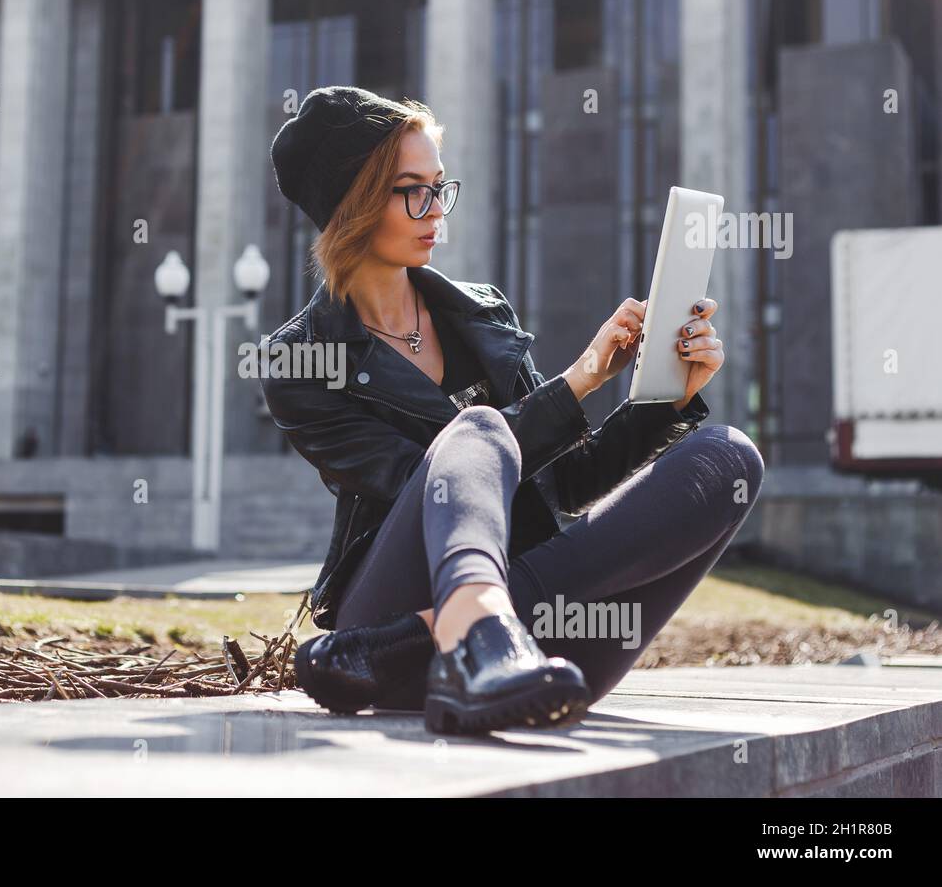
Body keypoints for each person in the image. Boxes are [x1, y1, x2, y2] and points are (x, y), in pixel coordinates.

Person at [262, 86, 764, 736]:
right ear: (350, 205)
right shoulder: (299, 359)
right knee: (475, 430)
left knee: (729, 455)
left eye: (440, 186)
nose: (434, 209)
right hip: (396, 592)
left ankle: (441, 635)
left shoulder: (481, 314)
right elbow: (431, 481)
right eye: (410, 189)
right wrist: (578, 382)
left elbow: (565, 487)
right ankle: (463, 623)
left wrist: (666, 394)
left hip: (522, 650)